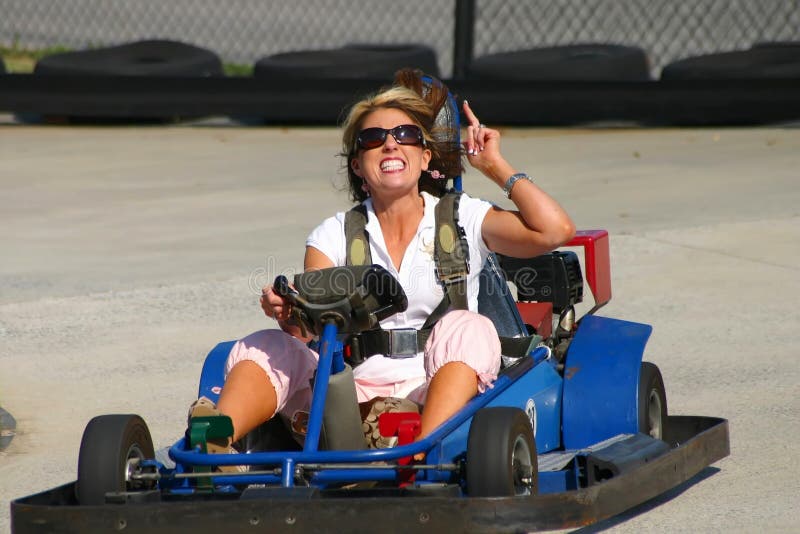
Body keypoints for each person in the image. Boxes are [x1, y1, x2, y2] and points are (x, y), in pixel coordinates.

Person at [192, 70, 575, 456]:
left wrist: (494, 166)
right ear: (358, 165)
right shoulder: (334, 233)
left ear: (425, 157)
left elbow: (554, 230)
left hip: (436, 390)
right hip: (347, 392)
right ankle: (216, 443)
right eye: (374, 139)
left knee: (470, 326)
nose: (390, 145)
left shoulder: (465, 218)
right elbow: (306, 330)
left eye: (405, 136)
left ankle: (420, 447)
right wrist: (286, 311)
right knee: (265, 345)